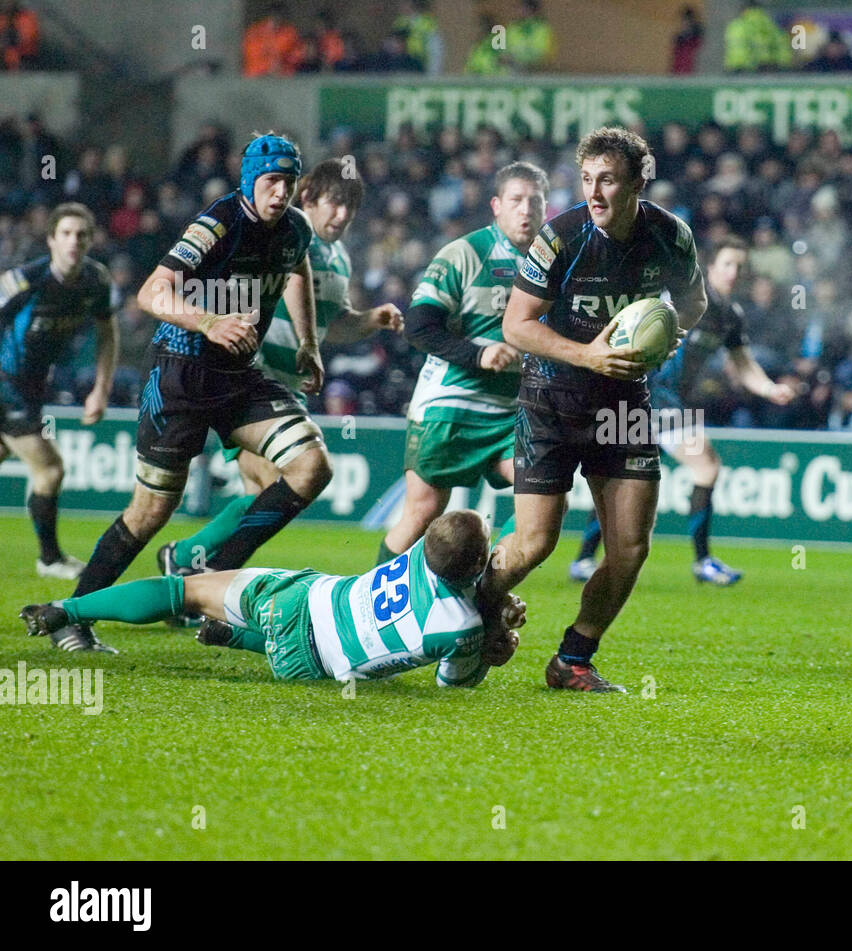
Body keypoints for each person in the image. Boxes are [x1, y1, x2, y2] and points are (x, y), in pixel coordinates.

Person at [48, 133, 326, 654]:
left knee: (311, 467)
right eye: (272, 181)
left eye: (289, 183)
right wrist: (209, 321)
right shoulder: (217, 223)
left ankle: (212, 573)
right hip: (181, 375)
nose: (281, 192)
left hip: (238, 376)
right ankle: (70, 614)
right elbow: (150, 292)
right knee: (150, 511)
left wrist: (308, 342)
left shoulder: (296, 228)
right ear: (250, 180)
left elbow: (297, 266)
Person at [477, 126, 707, 692]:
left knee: (629, 549)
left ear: (638, 183)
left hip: (624, 405)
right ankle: (469, 617)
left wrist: (667, 332)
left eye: (608, 180)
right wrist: (587, 355)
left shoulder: (671, 236)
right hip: (551, 400)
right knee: (535, 544)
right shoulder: (561, 236)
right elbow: (516, 325)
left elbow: (695, 302)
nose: (595, 192)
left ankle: (573, 659)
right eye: (587, 180)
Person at [158, 158, 403, 589]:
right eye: (334, 203)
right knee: (280, 483)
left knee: (263, 495)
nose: (342, 215)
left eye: (350, 207)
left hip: (287, 390)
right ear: (307, 197)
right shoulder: (286, 238)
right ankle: (200, 573)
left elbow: (331, 324)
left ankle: (184, 560)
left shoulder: (340, 258)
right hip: (250, 379)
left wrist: (370, 320)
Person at [22, 510, 525, 687]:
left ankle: (68, 609)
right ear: (478, 565)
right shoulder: (458, 626)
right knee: (327, 650)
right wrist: (494, 643)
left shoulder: (421, 547)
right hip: (304, 664)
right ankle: (237, 639)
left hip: (296, 600)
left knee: (183, 591)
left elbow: (464, 563)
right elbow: (453, 683)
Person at [568, 235, 794, 585]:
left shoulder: (729, 316)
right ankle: (697, 562)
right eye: (728, 264)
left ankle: (587, 558)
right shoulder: (680, 300)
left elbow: (743, 363)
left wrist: (769, 389)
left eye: (740, 266)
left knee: (631, 480)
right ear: (711, 266)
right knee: (685, 469)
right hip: (643, 397)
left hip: (673, 405)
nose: (734, 272)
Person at [378, 161, 548, 564]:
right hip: (452, 402)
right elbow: (418, 327)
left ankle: (485, 592)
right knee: (423, 512)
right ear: (496, 205)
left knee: (542, 496)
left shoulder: (553, 262)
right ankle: (373, 598)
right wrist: (479, 353)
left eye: (535, 202)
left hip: (512, 410)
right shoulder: (464, 253)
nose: (526, 210)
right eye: (516, 200)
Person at [0, 202, 116, 579]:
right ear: (51, 239)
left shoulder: (96, 281)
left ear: (91, 240)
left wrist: (101, 388)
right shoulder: (24, 281)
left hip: (32, 389)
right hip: (6, 386)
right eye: (65, 234)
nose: (73, 242)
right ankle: (50, 559)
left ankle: (50, 559)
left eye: (81, 235)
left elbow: (107, 331)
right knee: (50, 469)